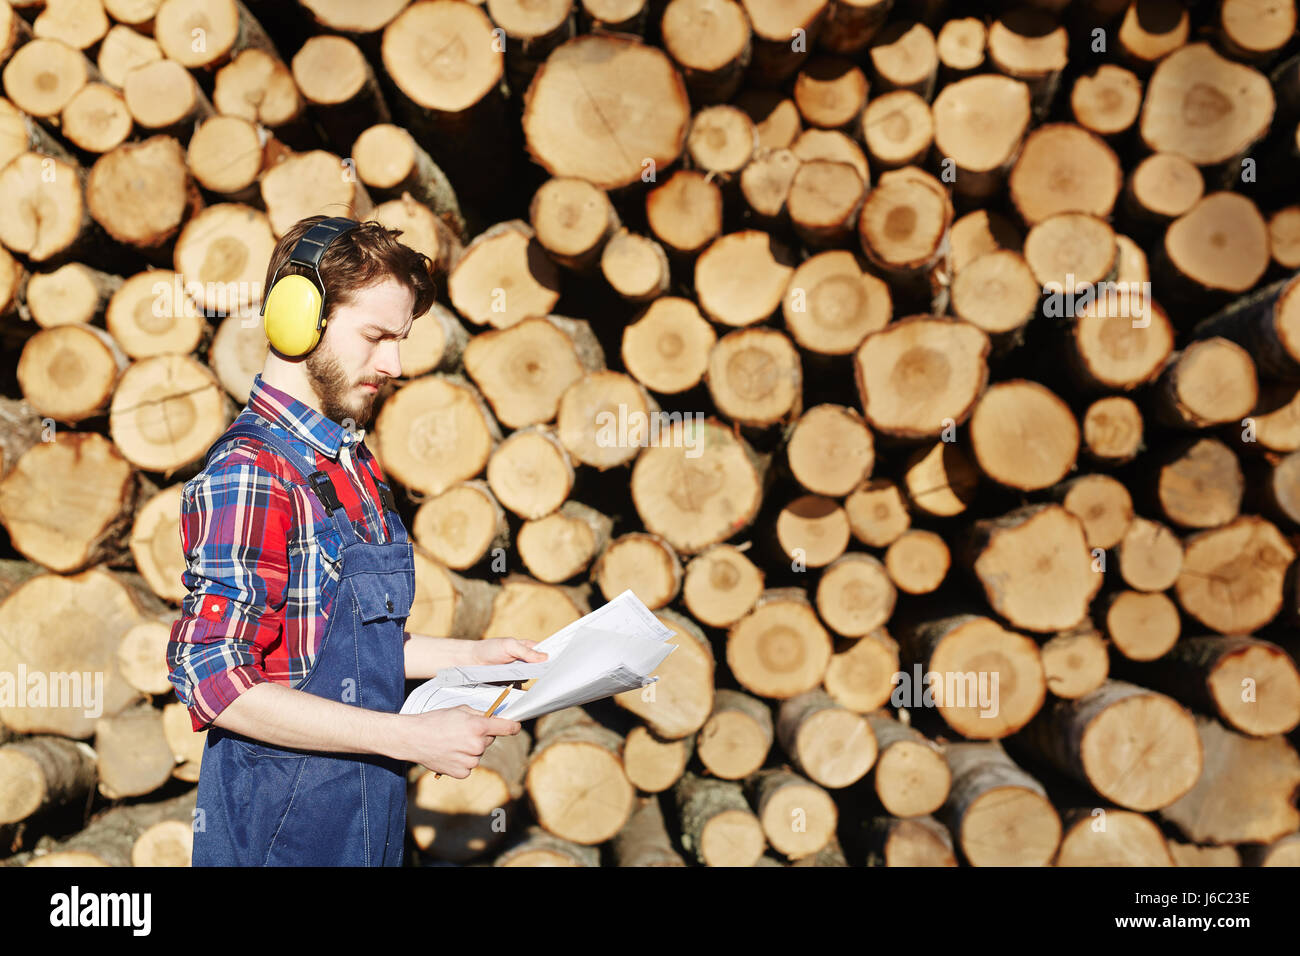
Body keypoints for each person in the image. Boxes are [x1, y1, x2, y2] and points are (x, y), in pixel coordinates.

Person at [167, 215, 543, 866]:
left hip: (365, 820)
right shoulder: (253, 474)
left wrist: (476, 655)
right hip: (280, 836)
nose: (394, 364)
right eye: (375, 337)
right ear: (296, 316)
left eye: (398, 340)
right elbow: (214, 678)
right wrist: (406, 736)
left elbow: (348, 650)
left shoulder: (349, 464)